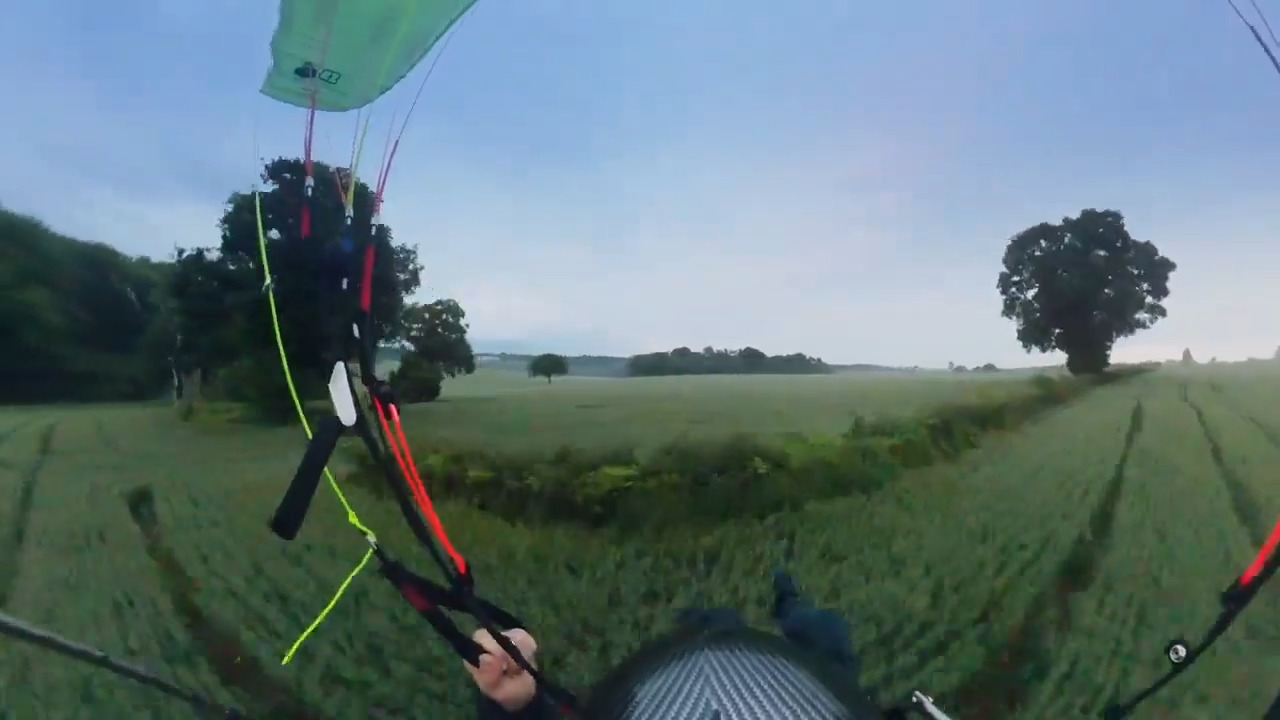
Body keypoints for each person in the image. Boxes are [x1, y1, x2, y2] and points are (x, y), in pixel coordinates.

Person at [467, 572, 885, 720]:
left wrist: (518, 708)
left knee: (716, 628)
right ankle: (784, 601)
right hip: (807, 687)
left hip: (679, 674)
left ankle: (718, 620)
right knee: (824, 632)